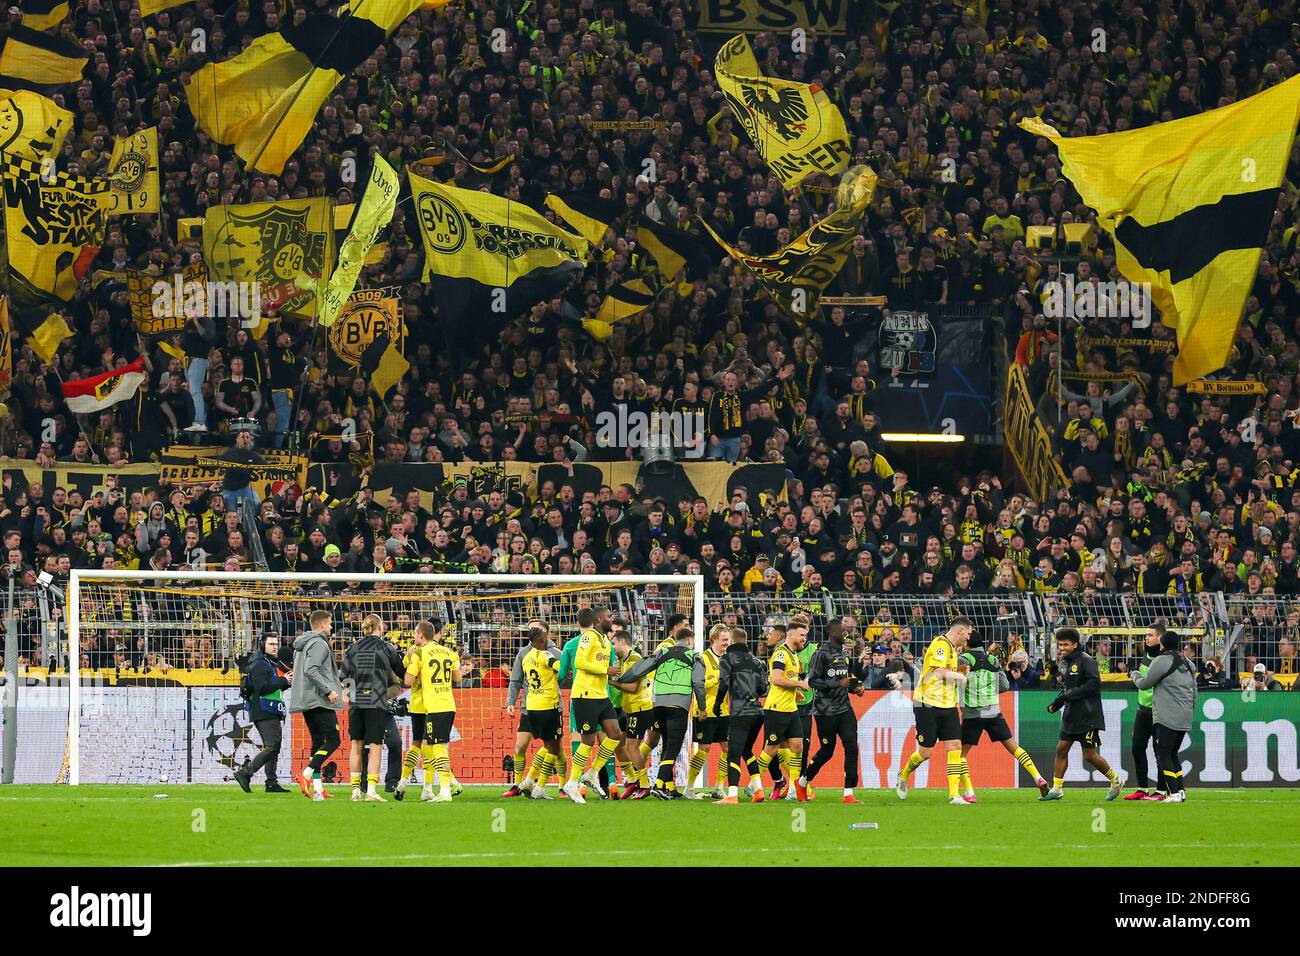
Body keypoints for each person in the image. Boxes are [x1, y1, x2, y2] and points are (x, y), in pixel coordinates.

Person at [614, 624, 705, 799]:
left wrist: (621, 679)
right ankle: (659, 783)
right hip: (679, 704)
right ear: (690, 641)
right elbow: (698, 684)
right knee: (674, 746)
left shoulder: (662, 652)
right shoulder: (694, 656)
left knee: (666, 742)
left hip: (658, 704)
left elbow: (640, 668)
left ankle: (668, 787)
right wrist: (702, 708)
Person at [957, 635, 1048, 799]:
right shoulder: (992, 660)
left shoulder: (963, 659)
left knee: (960, 754)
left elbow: (959, 682)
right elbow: (1005, 685)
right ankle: (1038, 777)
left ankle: (969, 793)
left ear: (966, 644)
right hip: (993, 710)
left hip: (973, 712)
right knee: (1014, 747)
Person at [896, 616, 973, 805]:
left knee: (955, 747)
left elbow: (946, 674)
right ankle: (904, 774)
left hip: (948, 705)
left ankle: (954, 795)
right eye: (968, 633)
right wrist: (960, 677)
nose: (968, 638)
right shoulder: (940, 644)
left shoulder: (953, 651)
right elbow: (938, 673)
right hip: (927, 704)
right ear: (960, 630)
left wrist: (960, 673)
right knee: (926, 752)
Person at [1042, 627, 1124, 801]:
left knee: (1089, 755)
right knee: (1061, 749)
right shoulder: (1065, 662)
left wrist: (1068, 695)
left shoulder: (1086, 660)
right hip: (1071, 714)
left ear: (1075, 644)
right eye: (1060, 644)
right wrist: (1057, 704)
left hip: (1088, 715)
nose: (1062, 648)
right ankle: (1057, 788)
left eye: (1065, 644)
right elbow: (1066, 689)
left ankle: (1116, 781)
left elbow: (1094, 685)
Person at [561, 606, 625, 804]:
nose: (611, 620)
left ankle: (593, 771)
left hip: (601, 695)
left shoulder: (605, 640)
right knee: (587, 741)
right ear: (598, 620)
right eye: (607, 617)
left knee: (615, 734)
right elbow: (580, 662)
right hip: (585, 695)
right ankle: (572, 782)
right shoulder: (588, 637)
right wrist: (606, 669)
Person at [798, 619, 865, 803]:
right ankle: (803, 781)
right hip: (824, 711)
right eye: (842, 630)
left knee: (851, 747)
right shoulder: (821, 654)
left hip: (844, 709)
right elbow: (812, 682)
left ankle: (849, 793)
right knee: (827, 750)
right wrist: (838, 683)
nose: (846, 633)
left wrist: (855, 688)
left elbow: (844, 680)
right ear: (832, 633)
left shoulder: (843, 653)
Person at [403, 619, 469, 802]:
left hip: (433, 706)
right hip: (448, 704)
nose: (414, 636)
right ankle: (444, 786)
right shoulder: (449, 652)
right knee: (434, 746)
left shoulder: (419, 653)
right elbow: (457, 678)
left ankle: (446, 791)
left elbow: (408, 681)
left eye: (415, 633)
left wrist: (411, 669)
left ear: (421, 635)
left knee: (438, 748)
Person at [1131, 627, 1198, 803]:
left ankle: (1173, 793)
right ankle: (1181, 791)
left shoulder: (1161, 660)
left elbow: (1144, 684)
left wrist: (1134, 674)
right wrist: (1192, 708)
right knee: (1172, 753)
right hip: (1185, 714)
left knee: (1163, 753)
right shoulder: (1187, 662)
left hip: (1167, 714)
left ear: (1162, 643)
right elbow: (1194, 689)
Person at [341, 614, 404, 802]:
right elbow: (401, 673)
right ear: (380, 628)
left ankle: (354, 791)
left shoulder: (352, 649)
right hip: (376, 702)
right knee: (375, 747)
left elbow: (343, 677)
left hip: (356, 703)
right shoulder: (387, 648)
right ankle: (371, 790)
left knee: (356, 746)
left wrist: (354, 694)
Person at [754, 617, 812, 802]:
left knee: (798, 746)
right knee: (771, 749)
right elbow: (777, 679)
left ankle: (794, 788)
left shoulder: (794, 656)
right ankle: (753, 785)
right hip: (776, 708)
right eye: (802, 635)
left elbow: (784, 682)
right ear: (791, 634)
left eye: (806, 635)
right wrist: (799, 684)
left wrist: (795, 693)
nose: (804, 638)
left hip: (791, 708)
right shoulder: (781, 653)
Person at [714, 624, 770, 804]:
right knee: (747, 750)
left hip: (740, 712)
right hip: (757, 713)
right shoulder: (756, 662)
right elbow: (762, 688)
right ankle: (759, 789)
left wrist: (717, 705)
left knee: (733, 753)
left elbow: (723, 683)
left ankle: (732, 795)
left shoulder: (727, 658)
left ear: (731, 640)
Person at [290, 610, 343, 801]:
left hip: (307, 699)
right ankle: (305, 775)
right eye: (329, 624)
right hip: (318, 700)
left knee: (318, 742)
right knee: (334, 740)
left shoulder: (303, 643)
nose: (331, 627)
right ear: (322, 625)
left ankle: (318, 789)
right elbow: (311, 670)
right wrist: (328, 690)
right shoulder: (319, 643)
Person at [234, 633, 292, 794]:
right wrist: (283, 681)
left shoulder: (267, 662)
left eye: (276, 644)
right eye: (271, 644)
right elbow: (262, 687)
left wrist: (286, 683)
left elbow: (270, 686)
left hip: (269, 709)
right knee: (273, 746)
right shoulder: (260, 663)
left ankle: (271, 783)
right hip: (264, 709)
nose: (275, 646)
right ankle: (245, 773)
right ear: (262, 645)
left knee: (274, 746)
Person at [516, 620, 565, 799]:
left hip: (532, 706)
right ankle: (538, 787)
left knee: (548, 745)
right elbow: (559, 668)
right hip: (548, 706)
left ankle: (529, 781)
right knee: (553, 747)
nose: (547, 640)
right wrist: (565, 668)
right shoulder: (545, 656)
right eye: (544, 638)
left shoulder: (526, 658)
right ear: (539, 640)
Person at [686, 623, 732, 799]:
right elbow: (697, 683)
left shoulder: (729, 659)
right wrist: (716, 681)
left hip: (724, 711)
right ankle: (689, 788)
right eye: (724, 640)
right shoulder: (702, 658)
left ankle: (719, 786)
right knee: (704, 747)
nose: (727, 643)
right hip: (705, 711)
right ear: (713, 639)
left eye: (728, 639)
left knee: (727, 747)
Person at [608, 628, 655, 798]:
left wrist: (612, 683)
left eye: (614, 643)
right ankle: (633, 779)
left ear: (622, 642)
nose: (613, 647)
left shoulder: (635, 658)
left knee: (632, 746)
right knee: (618, 743)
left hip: (640, 708)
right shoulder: (623, 660)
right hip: (628, 709)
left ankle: (644, 784)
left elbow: (633, 688)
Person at [1124, 621, 1166, 800]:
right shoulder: (1145, 655)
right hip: (1143, 710)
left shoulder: (1165, 658)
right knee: (1137, 748)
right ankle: (1142, 787)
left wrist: (1135, 675)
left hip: (1159, 711)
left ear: (1160, 638)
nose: (1146, 638)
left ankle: (1162, 790)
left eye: (1150, 635)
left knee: (1160, 752)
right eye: (1146, 635)